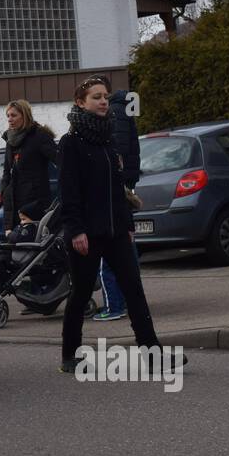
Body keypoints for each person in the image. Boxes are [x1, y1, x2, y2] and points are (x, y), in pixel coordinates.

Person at [57, 78, 181, 374]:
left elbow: (119, 189)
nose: (102, 102)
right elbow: (68, 191)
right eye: (96, 97)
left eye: (105, 97)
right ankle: (69, 354)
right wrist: (76, 230)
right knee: (82, 293)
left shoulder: (109, 140)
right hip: (87, 233)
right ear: (80, 102)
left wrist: (127, 223)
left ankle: (153, 356)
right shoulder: (70, 143)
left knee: (134, 290)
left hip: (115, 231)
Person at [94, 78, 143, 322]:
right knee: (127, 246)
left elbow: (117, 153)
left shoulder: (112, 115)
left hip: (114, 190)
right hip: (125, 186)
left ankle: (114, 304)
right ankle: (132, 299)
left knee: (111, 254)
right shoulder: (125, 111)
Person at [0, 100, 58, 243]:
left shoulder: (39, 136)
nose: (10, 119)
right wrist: (3, 190)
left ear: (24, 116)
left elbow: (59, 160)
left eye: (13, 115)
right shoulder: (10, 140)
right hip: (13, 202)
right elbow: (7, 170)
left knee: (32, 246)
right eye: (8, 116)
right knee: (14, 247)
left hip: (34, 202)